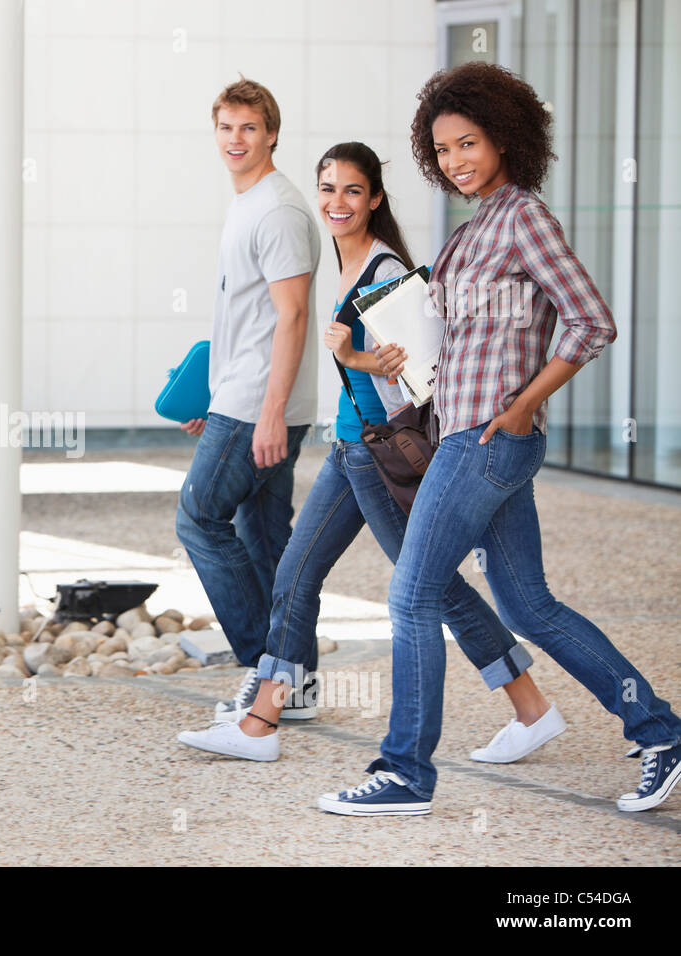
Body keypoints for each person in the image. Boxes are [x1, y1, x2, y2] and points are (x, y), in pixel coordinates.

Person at [320, 63, 681, 815]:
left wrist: (522, 406)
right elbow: (441, 349)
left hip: (489, 440)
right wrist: (368, 356)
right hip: (468, 433)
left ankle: (406, 774)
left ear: (505, 137)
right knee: (530, 608)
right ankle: (662, 731)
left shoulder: (524, 218)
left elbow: (591, 320)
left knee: (413, 595)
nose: (456, 160)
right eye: (443, 149)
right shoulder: (468, 233)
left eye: (470, 142)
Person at [177, 142, 563, 762]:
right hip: (349, 449)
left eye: (352, 191)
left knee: (423, 590)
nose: (337, 202)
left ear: (375, 199)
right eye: (327, 189)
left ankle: (528, 703)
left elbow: (421, 371)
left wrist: (353, 355)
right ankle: (261, 723)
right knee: (298, 576)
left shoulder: (384, 273)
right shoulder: (347, 263)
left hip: (377, 455)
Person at [175, 77, 321, 718]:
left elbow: (292, 318)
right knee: (264, 543)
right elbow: (251, 321)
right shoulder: (249, 203)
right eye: (227, 127)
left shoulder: (279, 210)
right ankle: (295, 686)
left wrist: (267, 414)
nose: (237, 139)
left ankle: (267, 675)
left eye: (250, 128)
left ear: (272, 135)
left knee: (198, 515)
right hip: (242, 399)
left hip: (261, 406)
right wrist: (214, 393)